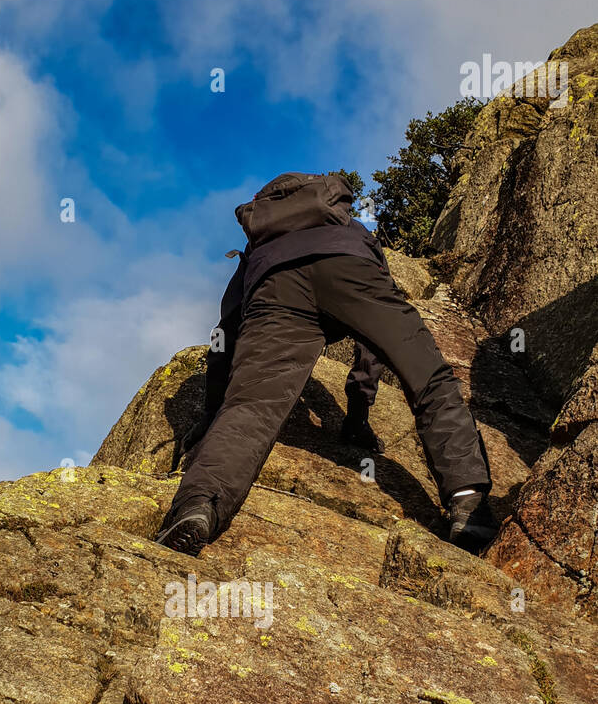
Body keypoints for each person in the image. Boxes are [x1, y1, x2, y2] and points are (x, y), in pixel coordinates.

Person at [156, 172, 496, 557]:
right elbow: (373, 348)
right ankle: (468, 505)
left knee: (251, 409)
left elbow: (227, 333)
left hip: (276, 288)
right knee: (428, 378)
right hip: (350, 268)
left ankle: (199, 506)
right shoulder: (350, 229)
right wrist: (357, 416)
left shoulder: (261, 246)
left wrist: (213, 414)